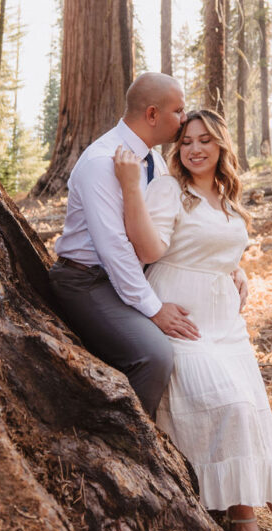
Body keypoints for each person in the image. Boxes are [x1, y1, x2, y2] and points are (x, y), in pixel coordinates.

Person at [113, 108, 272, 531]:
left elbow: (227, 249)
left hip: (228, 327)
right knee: (231, 409)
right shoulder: (171, 188)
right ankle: (242, 517)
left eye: (205, 140)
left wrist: (239, 272)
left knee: (257, 419)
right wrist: (132, 187)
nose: (194, 148)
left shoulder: (228, 194)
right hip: (181, 322)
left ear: (221, 147)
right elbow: (147, 249)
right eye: (186, 140)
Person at [50, 73, 205, 418]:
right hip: (88, 281)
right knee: (155, 355)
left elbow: (173, 225)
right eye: (178, 111)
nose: (184, 119)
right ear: (152, 114)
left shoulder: (155, 160)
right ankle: (125, 442)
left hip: (129, 277)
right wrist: (154, 309)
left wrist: (228, 268)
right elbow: (114, 249)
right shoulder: (100, 162)